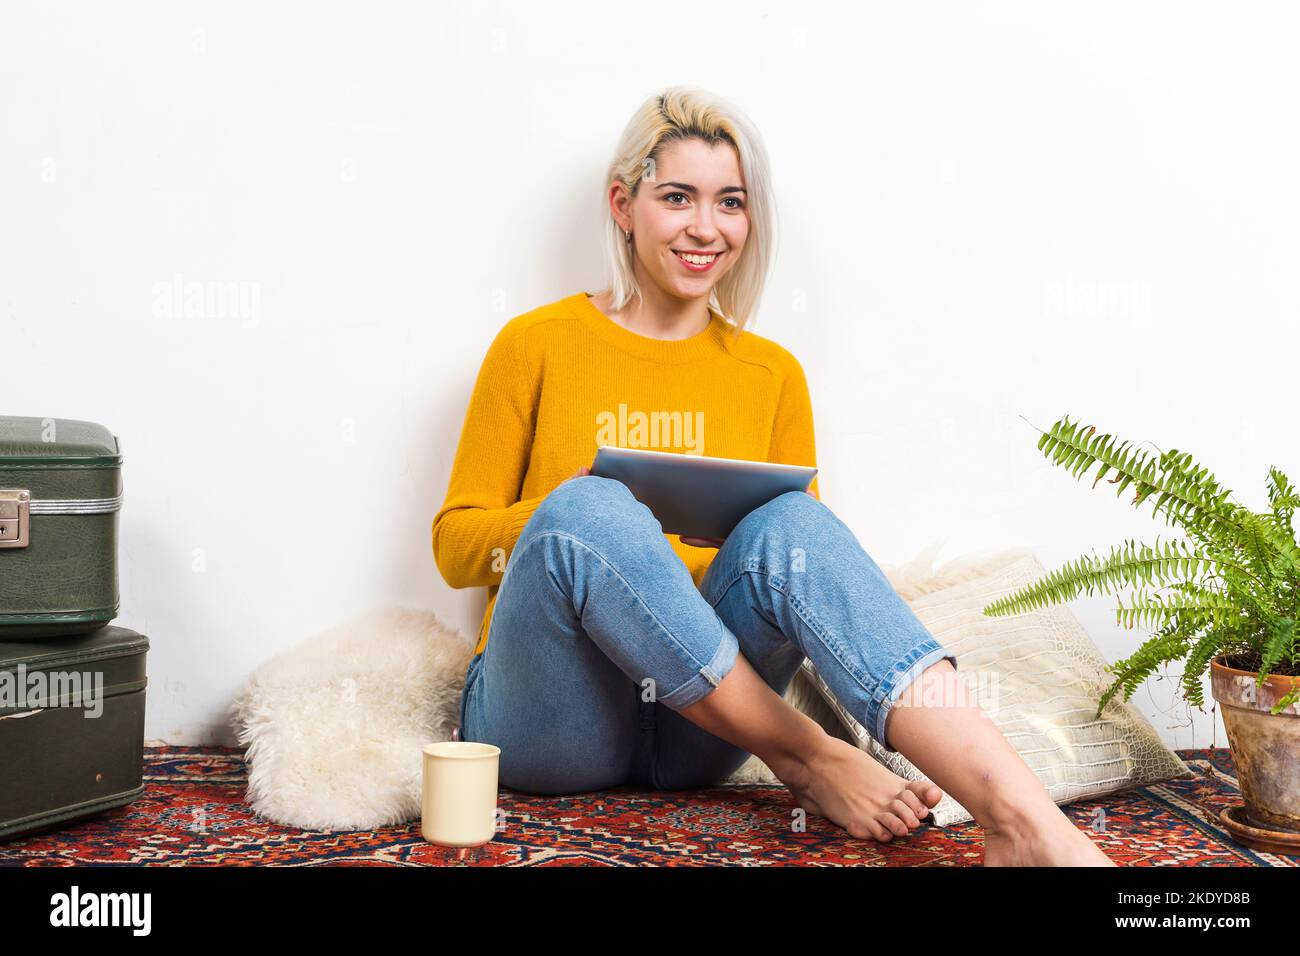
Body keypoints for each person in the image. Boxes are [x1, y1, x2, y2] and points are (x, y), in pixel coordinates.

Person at [432, 85, 1114, 866]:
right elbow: (456, 548)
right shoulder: (534, 345)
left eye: (731, 202)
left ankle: (1020, 820)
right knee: (590, 511)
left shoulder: (771, 373)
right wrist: (579, 513)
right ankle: (810, 756)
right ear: (623, 204)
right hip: (552, 723)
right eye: (677, 197)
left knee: (795, 525)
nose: (705, 227)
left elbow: (808, 588)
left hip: (705, 729)